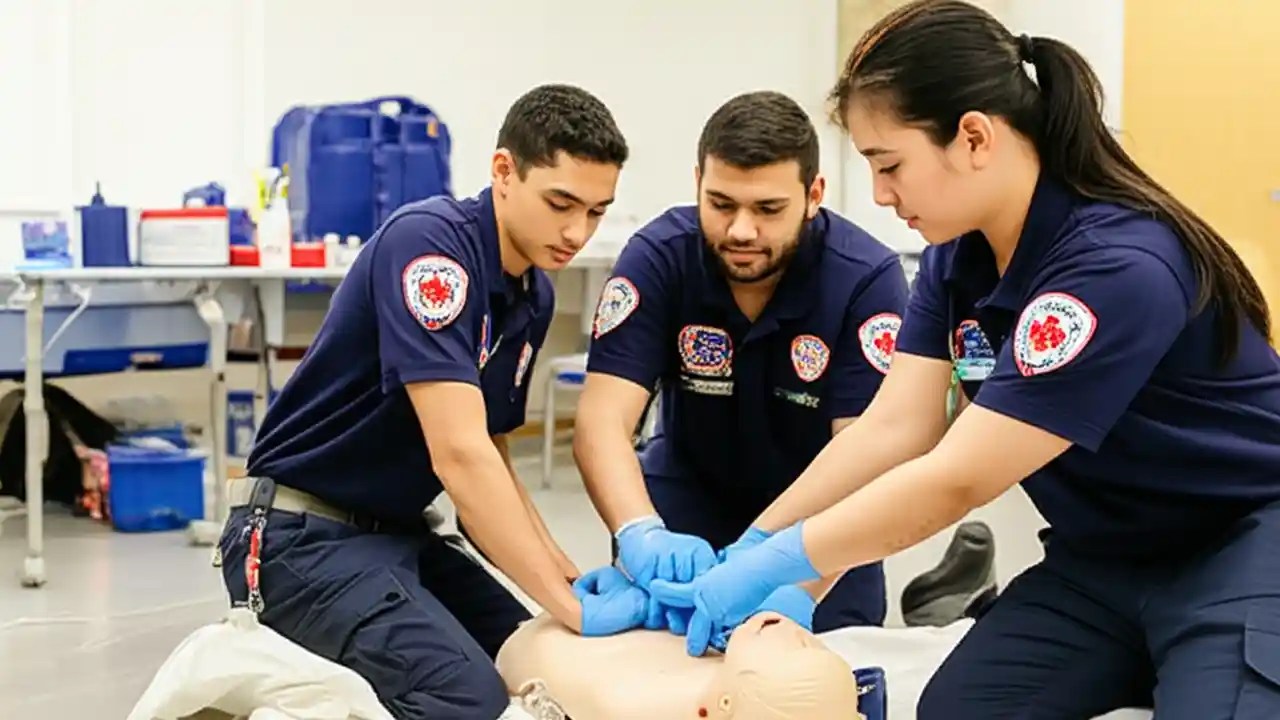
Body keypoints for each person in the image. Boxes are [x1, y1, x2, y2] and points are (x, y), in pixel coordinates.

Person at [648, 2, 1280, 718]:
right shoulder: (958, 262)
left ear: (974, 136)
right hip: (1103, 559)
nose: (881, 194)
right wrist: (757, 547)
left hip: (1241, 542)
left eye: (890, 165)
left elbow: (957, 478)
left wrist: (790, 559)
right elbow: (893, 430)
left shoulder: (1117, 265)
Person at [215, 84, 650, 720]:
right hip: (297, 540)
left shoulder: (532, 295)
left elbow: (493, 458)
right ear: (504, 171)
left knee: (534, 657)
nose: (577, 232)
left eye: (596, 211)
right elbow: (460, 455)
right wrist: (573, 608)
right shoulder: (431, 249)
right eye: (561, 203)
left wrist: (565, 577)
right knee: (464, 699)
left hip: (398, 536)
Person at [574, 90, 910, 644]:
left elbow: (867, 454)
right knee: (657, 664)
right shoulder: (660, 257)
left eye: (768, 209)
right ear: (697, 183)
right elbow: (601, 422)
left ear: (813, 195)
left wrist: (797, 586)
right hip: (684, 508)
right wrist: (638, 531)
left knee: (810, 675)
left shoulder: (865, 279)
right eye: (722, 203)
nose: (741, 231)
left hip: (818, 521)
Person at [496, 568, 874, 720]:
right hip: (557, 635)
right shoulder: (736, 677)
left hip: (551, 637)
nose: (797, 634)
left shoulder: (634, 705)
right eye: (810, 644)